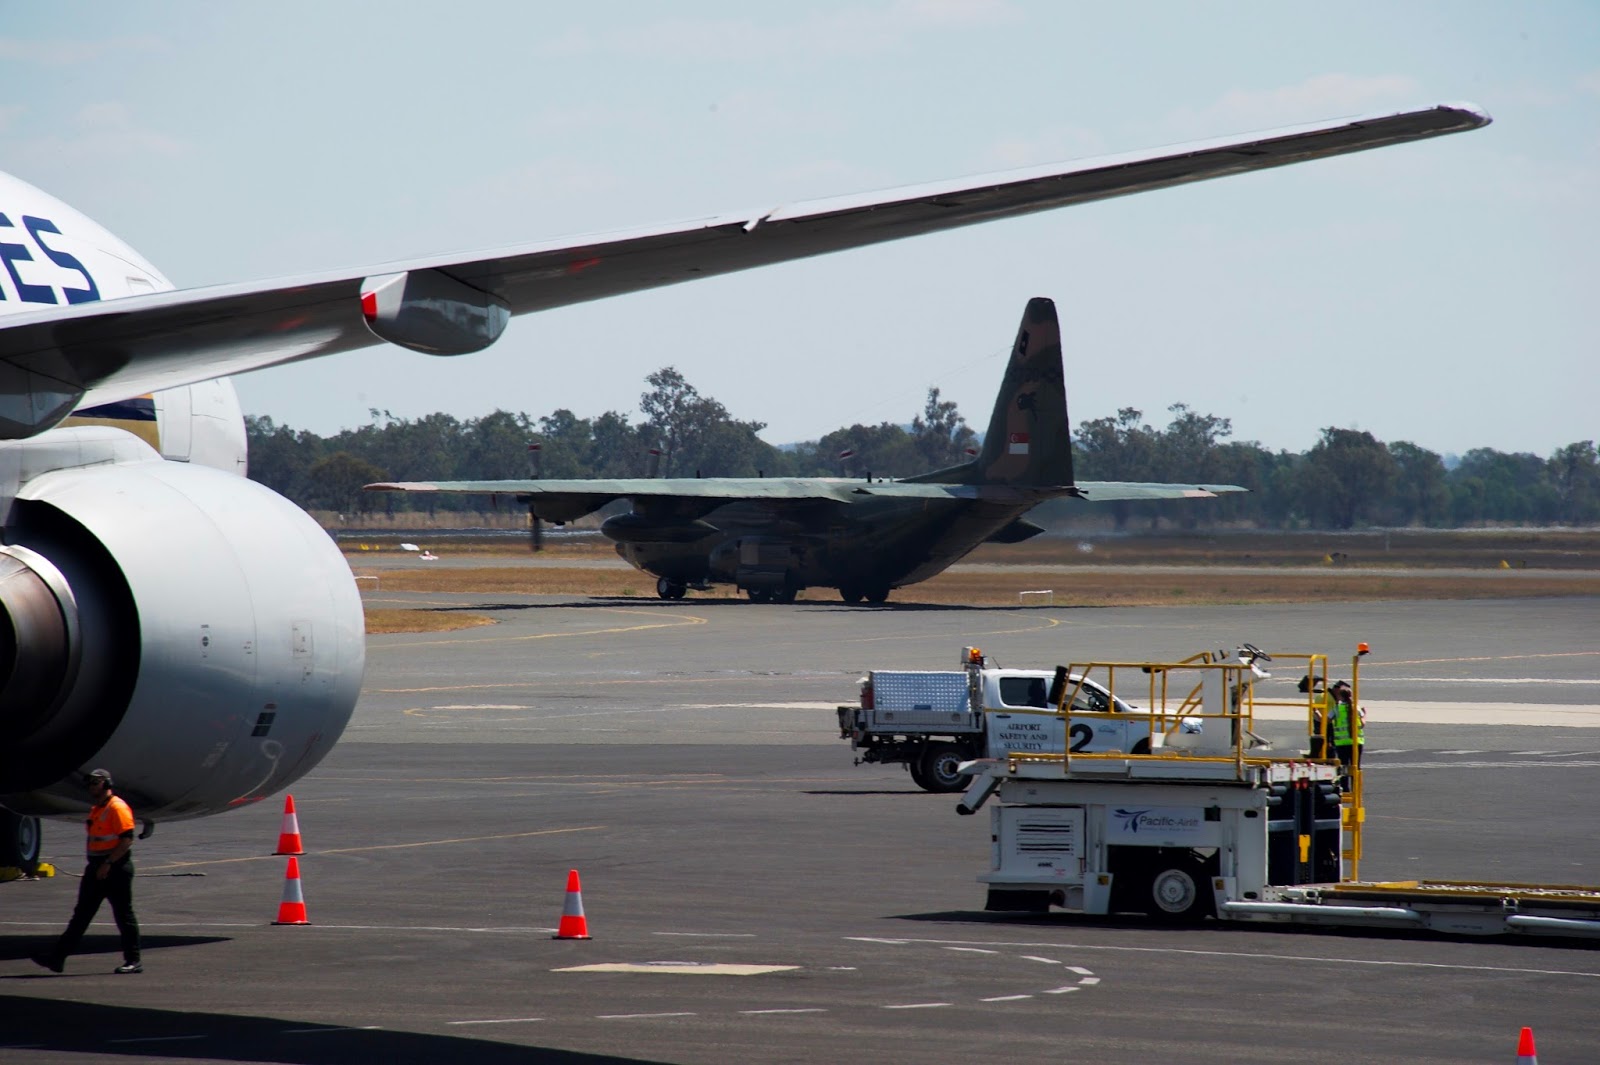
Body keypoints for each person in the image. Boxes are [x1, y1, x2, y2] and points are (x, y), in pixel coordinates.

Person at [32, 769, 142, 974]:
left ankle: (133, 960)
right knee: (81, 915)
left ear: (106, 784)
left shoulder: (117, 807)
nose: (91, 787)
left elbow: (127, 839)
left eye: (96, 783)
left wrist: (108, 863)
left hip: (115, 868)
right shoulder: (96, 809)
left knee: (123, 915)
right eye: (90, 783)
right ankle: (57, 958)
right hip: (96, 868)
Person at [1328, 680, 1366, 785]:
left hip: (1341, 743)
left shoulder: (1336, 708)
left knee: (1344, 766)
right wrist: (1365, 714)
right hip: (1356, 741)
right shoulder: (1356, 708)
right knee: (1356, 766)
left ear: (1340, 696)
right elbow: (1362, 724)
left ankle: (1345, 788)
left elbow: (1326, 720)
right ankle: (1356, 788)